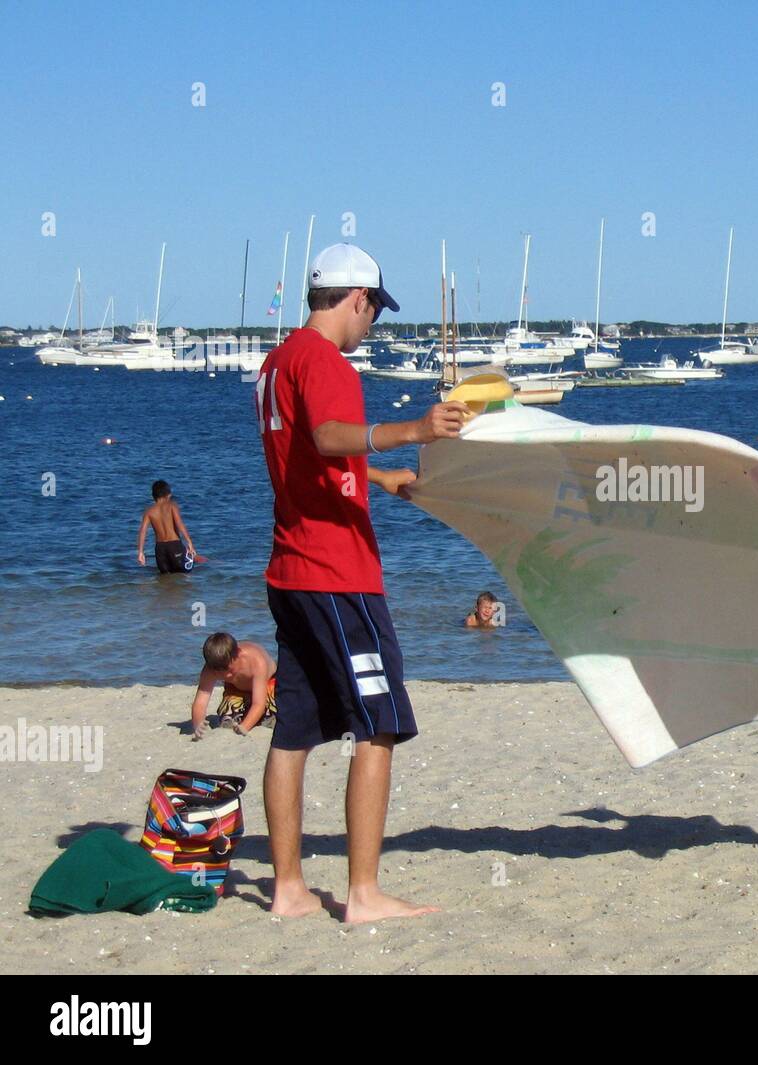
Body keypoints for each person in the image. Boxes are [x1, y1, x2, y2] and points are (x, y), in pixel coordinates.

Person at [255, 243, 469, 922]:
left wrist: (379, 480)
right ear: (356, 298)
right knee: (380, 724)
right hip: (337, 575)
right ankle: (364, 892)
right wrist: (415, 429)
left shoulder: (277, 361)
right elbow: (327, 435)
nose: (372, 321)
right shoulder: (325, 362)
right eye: (374, 307)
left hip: (289, 572)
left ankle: (288, 888)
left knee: (293, 729)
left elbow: (305, 459)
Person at [189, 632, 277, 739]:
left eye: (229, 669)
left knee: (269, 715)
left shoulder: (256, 661)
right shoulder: (211, 668)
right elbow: (201, 701)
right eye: (219, 672)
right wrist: (198, 725)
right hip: (236, 688)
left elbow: (259, 703)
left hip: (268, 684)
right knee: (227, 719)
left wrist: (244, 727)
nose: (226, 675)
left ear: (237, 654)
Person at [136, 480, 201, 573]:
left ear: (153, 495)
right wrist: (189, 542)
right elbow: (180, 524)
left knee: (164, 578)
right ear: (168, 494)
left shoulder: (149, 511)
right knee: (183, 574)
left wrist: (140, 552)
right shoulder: (172, 506)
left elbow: (142, 531)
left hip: (160, 549)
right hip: (174, 545)